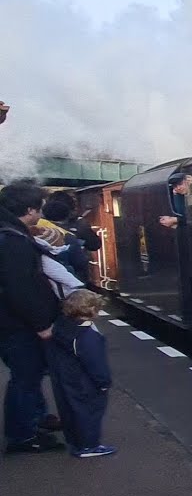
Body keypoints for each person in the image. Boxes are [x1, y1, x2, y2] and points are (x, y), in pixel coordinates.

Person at [0, 181, 65, 454]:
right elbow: (20, 287)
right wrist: (41, 324)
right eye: (39, 208)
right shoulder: (11, 240)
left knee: (32, 373)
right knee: (25, 376)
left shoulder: (11, 233)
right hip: (17, 324)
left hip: (14, 321)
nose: (41, 213)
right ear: (29, 209)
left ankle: (36, 418)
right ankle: (23, 435)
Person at [47, 289, 114, 458]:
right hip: (85, 383)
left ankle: (75, 442)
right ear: (92, 310)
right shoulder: (87, 336)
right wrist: (104, 383)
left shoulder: (62, 325)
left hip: (66, 377)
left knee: (70, 409)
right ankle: (88, 446)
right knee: (90, 412)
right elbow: (96, 364)